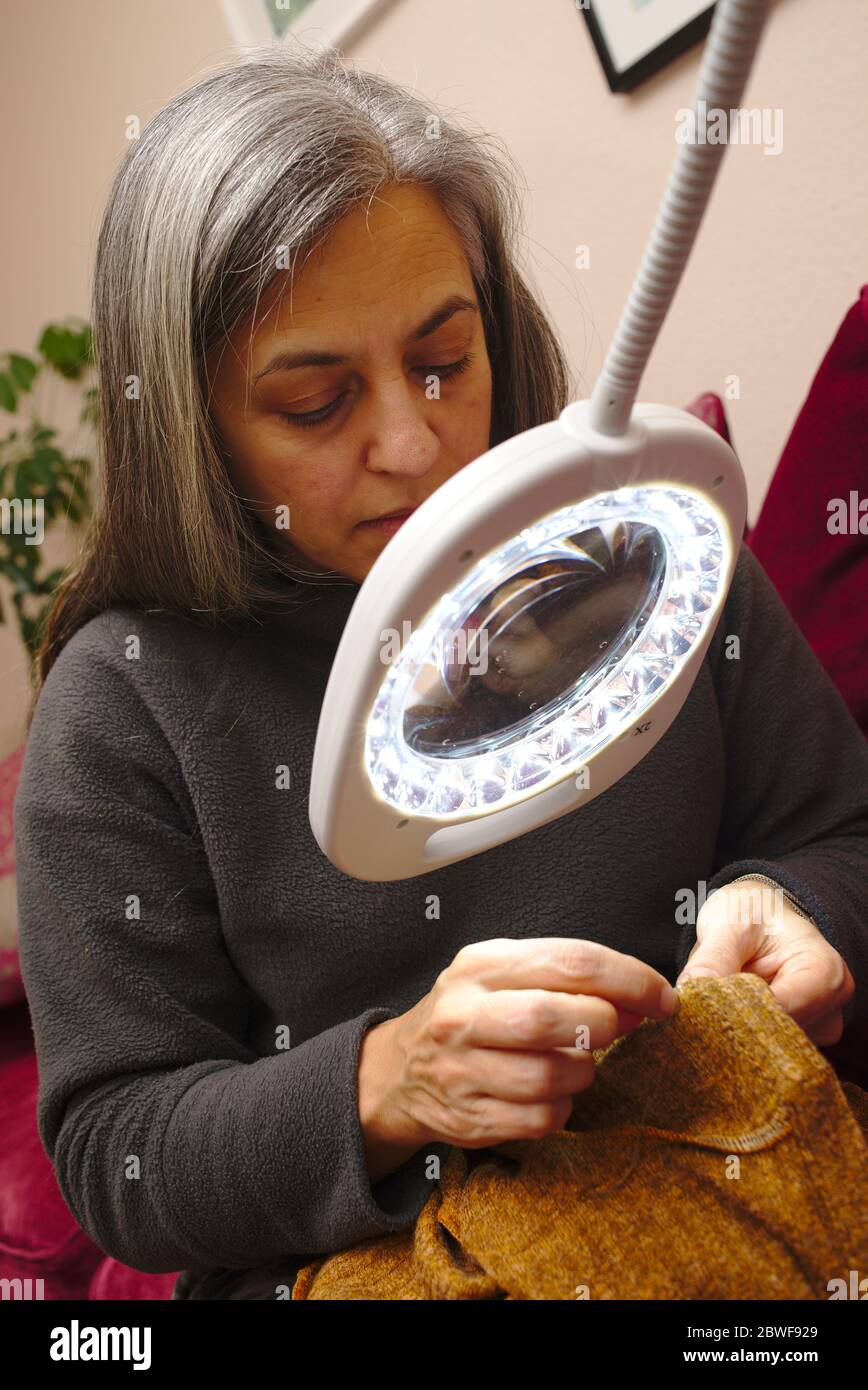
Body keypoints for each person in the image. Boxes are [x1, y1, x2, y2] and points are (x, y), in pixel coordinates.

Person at [13, 42, 868, 1301]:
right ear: (192, 425)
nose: (412, 444)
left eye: (442, 359)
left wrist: (800, 909)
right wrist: (387, 1082)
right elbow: (117, 1155)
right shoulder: (126, 703)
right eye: (314, 404)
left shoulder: (657, 559)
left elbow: (839, 831)